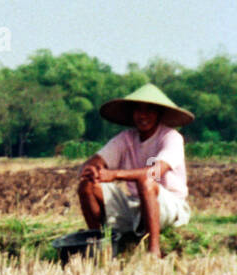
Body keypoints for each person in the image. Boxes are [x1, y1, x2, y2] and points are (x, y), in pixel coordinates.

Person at [77, 83, 193, 258]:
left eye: (150, 110)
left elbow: (154, 173)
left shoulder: (171, 137)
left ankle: (153, 250)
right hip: (135, 204)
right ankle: (103, 247)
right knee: (87, 185)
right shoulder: (126, 138)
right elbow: (92, 163)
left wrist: (114, 174)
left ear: (159, 113)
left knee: (146, 181)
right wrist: (93, 171)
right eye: (138, 110)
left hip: (168, 206)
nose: (143, 115)